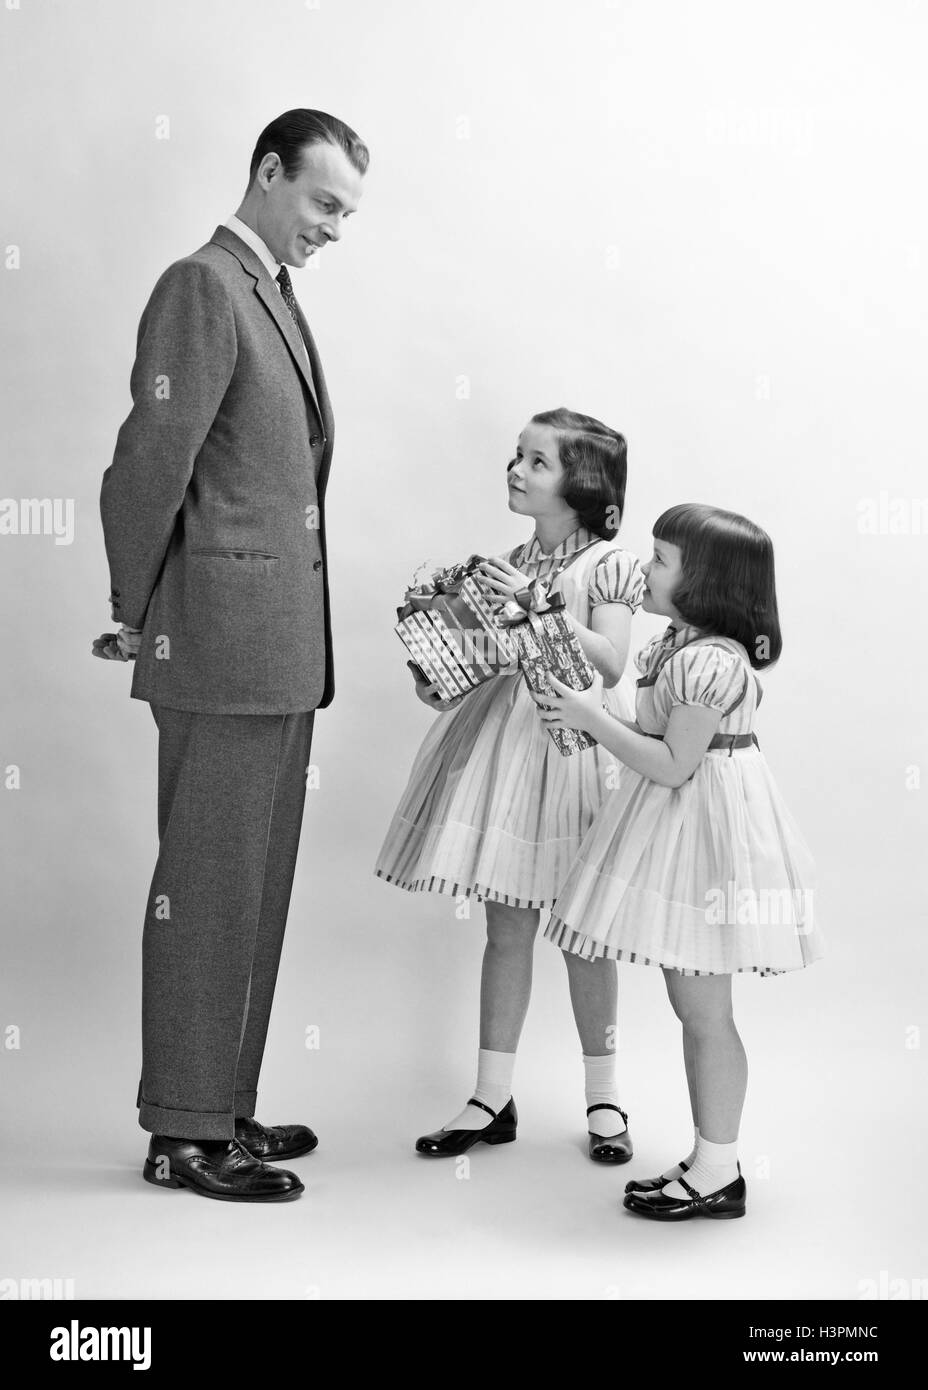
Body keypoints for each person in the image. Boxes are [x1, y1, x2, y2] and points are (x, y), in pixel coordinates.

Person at [96, 108, 368, 1202]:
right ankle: (180, 1133)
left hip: (277, 649)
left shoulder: (274, 294)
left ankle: (224, 1107)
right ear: (267, 174)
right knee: (205, 888)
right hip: (215, 638)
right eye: (322, 203)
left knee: (253, 886)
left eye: (347, 212)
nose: (333, 228)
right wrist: (133, 601)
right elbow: (146, 461)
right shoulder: (203, 286)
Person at [535, 503, 823, 1220]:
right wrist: (588, 714)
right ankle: (708, 1157)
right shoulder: (679, 643)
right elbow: (654, 740)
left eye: (660, 560)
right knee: (693, 1004)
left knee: (703, 1010)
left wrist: (590, 718)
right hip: (683, 830)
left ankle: (720, 1169)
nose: (642, 568)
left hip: (705, 842)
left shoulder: (706, 661)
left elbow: (670, 765)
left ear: (706, 581)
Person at [375, 409, 645, 1161]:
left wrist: (533, 597)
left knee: (586, 933)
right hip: (510, 746)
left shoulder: (611, 567)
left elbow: (611, 664)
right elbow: (485, 663)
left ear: (581, 485)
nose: (516, 471)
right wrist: (438, 671)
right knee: (507, 927)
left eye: (536, 461)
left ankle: (604, 1097)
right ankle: (491, 1097)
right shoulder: (505, 560)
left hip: (577, 750)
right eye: (515, 457)